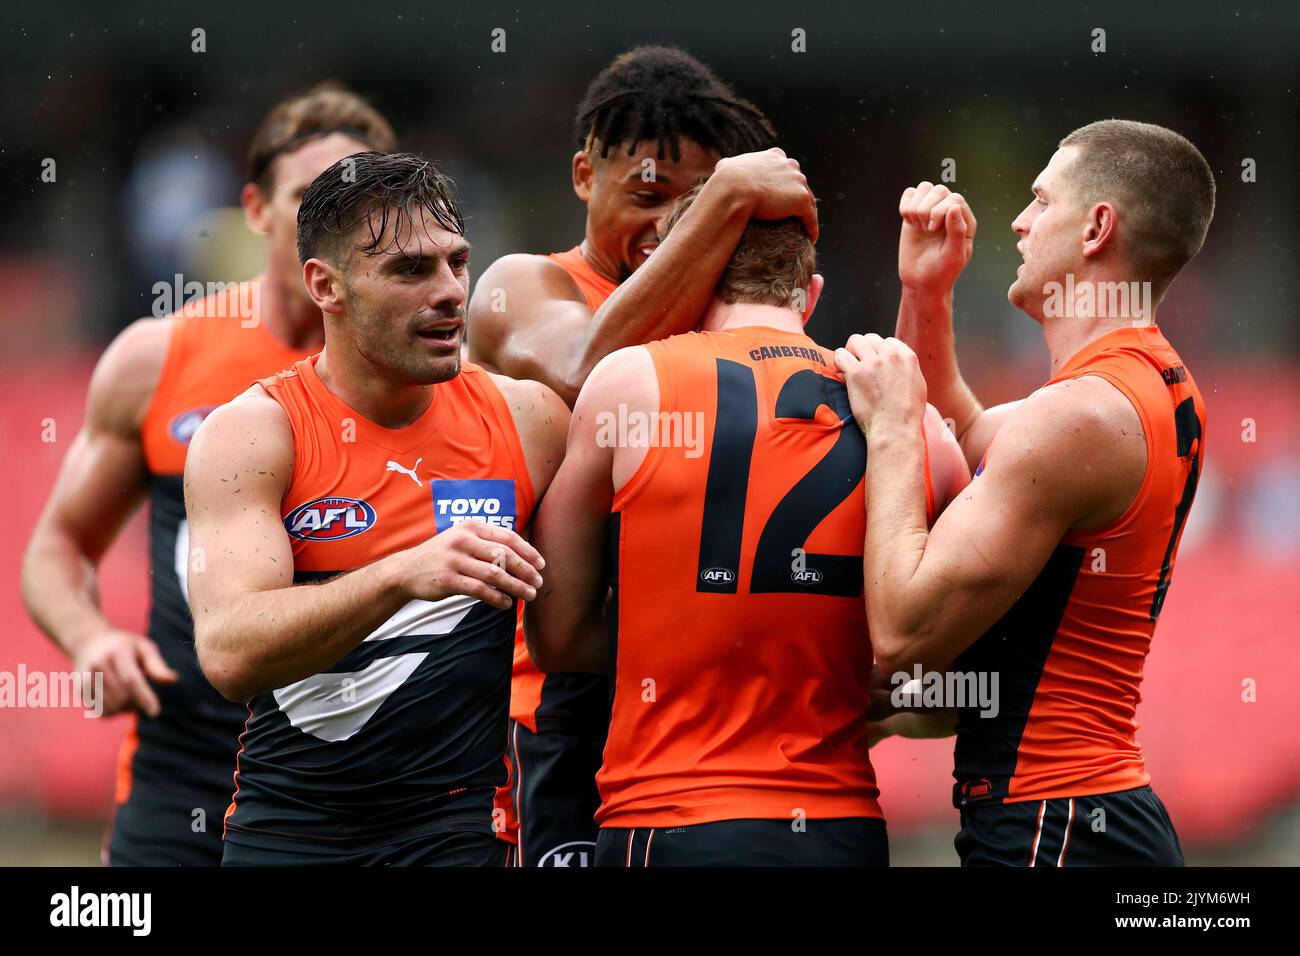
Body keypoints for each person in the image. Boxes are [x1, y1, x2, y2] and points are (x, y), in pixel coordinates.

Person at [525, 184, 968, 866]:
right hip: (839, 829)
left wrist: (690, 630)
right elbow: (959, 690)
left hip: (668, 818)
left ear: (682, 280)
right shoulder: (917, 427)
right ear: (811, 293)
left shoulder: (629, 385)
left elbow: (554, 636)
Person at [20, 83, 397, 865]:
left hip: (370, 780)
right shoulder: (160, 358)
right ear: (257, 209)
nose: (328, 228)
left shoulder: (434, 373)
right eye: (307, 200)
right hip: (186, 769)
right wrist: (91, 641)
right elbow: (56, 547)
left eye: (356, 205)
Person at [467, 45, 818, 866]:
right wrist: (728, 195)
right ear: (585, 173)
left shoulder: (731, 318)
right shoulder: (526, 287)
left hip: (708, 711)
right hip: (560, 697)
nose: (668, 229)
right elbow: (586, 368)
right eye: (651, 195)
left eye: (695, 204)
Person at [837, 119, 1213, 866]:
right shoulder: (1137, 387)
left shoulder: (1081, 417)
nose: (1019, 220)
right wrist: (927, 290)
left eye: (1041, 201)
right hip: (1089, 816)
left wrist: (888, 433)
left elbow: (905, 632)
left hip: (1057, 824)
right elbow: (963, 428)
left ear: (1098, 227)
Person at [185, 151, 568, 866]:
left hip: (456, 832)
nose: (452, 291)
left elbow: (582, 629)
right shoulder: (255, 432)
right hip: (288, 833)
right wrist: (402, 574)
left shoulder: (529, 420)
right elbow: (229, 651)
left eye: (458, 262)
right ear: (325, 286)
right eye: (411, 270)